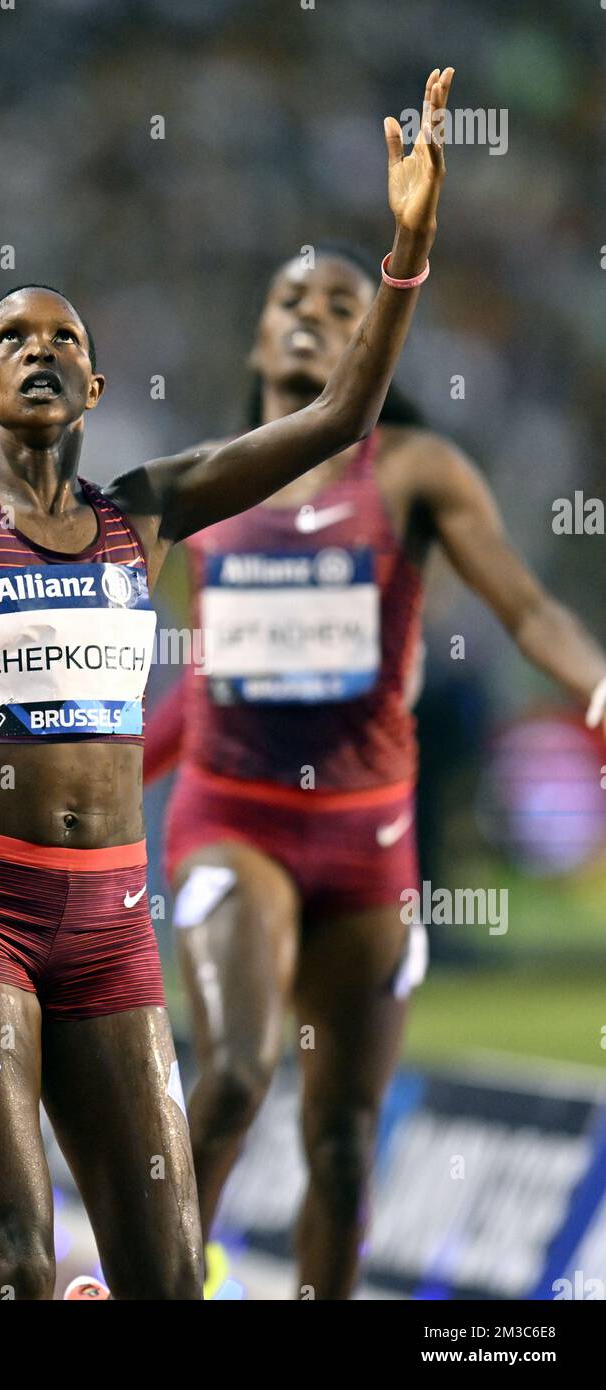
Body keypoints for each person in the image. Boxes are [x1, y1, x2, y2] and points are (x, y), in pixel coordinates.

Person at [0, 15, 452, 1300]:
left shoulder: (151, 510)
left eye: (62, 338)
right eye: (10, 338)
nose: (38, 350)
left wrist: (403, 255)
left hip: (113, 926)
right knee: (18, 1266)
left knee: (169, 1281)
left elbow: (338, 413)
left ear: (94, 381)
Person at [144, 241, 606, 1299]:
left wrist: (594, 687)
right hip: (232, 823)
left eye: (340, 301)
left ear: (373, 340)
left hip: (367, 842)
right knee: (230, 1075)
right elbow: (204, 675)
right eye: (288, 298)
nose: (309, 311)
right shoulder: (202, 485)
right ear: (257, 332)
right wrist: (107, 781)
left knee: (345, 1142)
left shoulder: (413, 472)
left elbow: (530, 609)